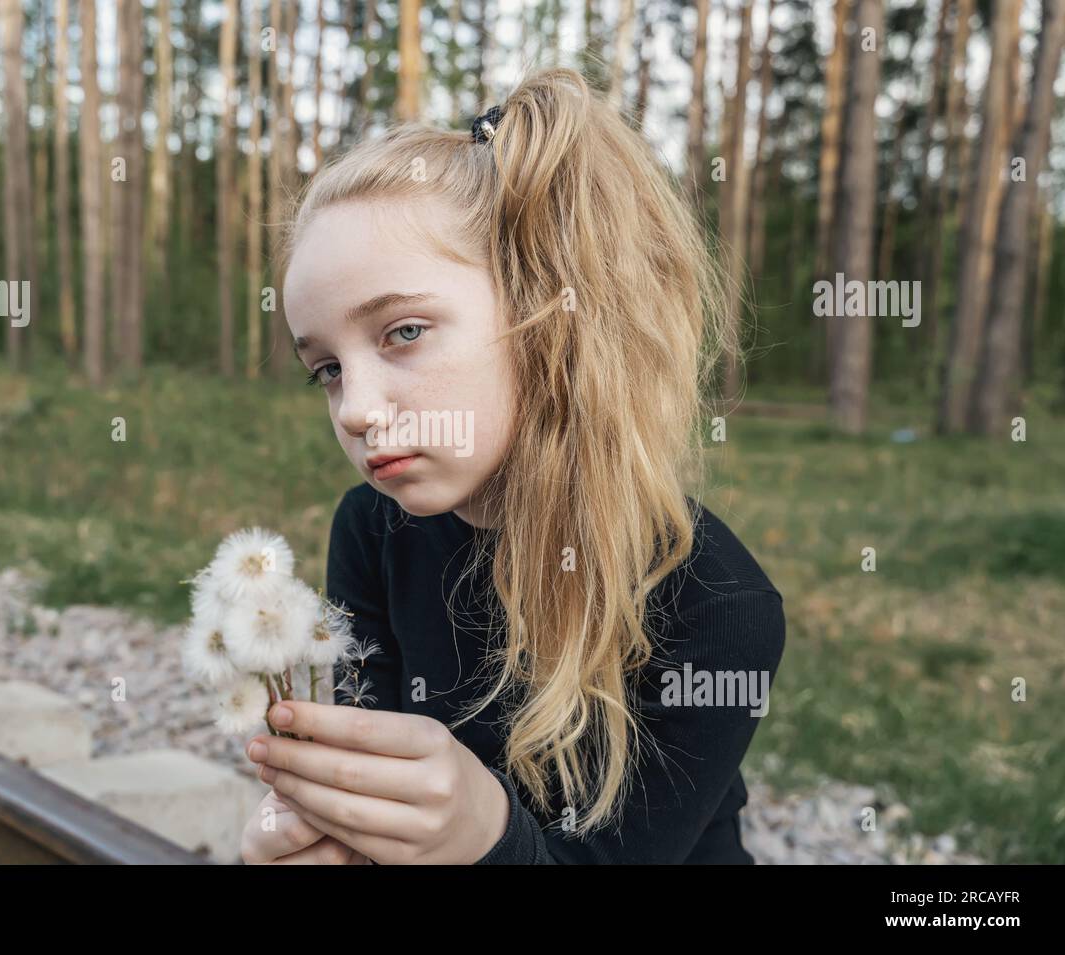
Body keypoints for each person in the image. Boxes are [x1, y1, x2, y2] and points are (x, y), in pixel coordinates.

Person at [238, 67, 785, 865]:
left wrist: (484, 833)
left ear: (547, 319)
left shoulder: (718, 604)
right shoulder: (373, 529)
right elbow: (368, 783)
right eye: (326, 368)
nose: (354, 409)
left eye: (402, 332)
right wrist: (318, 831)